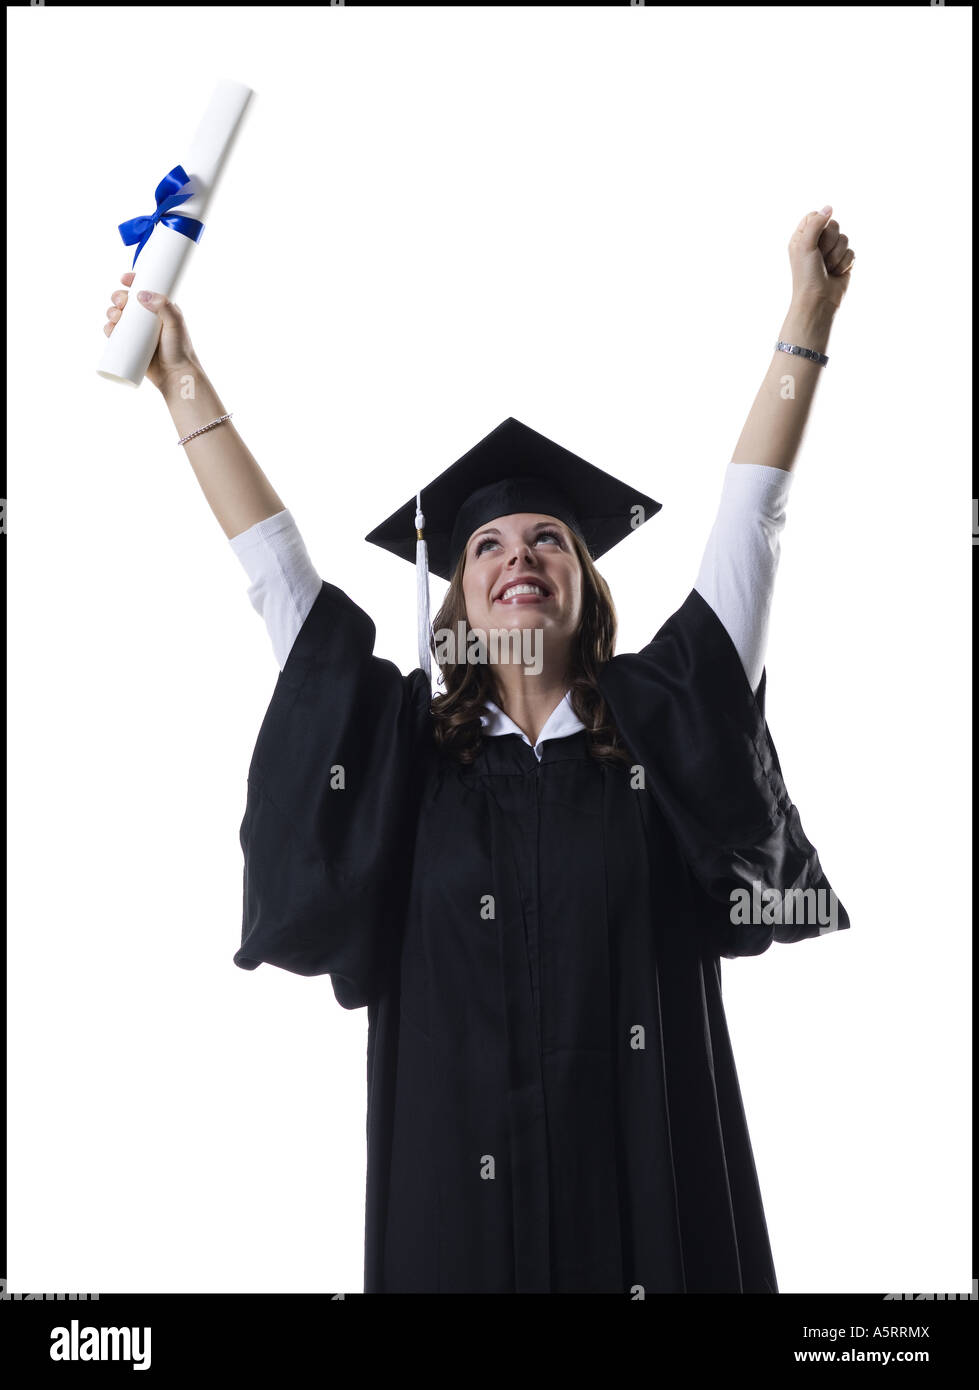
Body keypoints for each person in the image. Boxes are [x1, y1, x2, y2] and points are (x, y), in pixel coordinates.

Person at [102, 205, 854, 1295]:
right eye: (487, 544)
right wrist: (183, 383)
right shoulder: (403, 758)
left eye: (548, 537)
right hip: (457, 1215)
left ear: (585, 582)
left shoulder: (666, 723)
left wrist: (805, 318)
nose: (519, 556)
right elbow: (280, 583)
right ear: (454, 597)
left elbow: (753, 523)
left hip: (650, 1203)